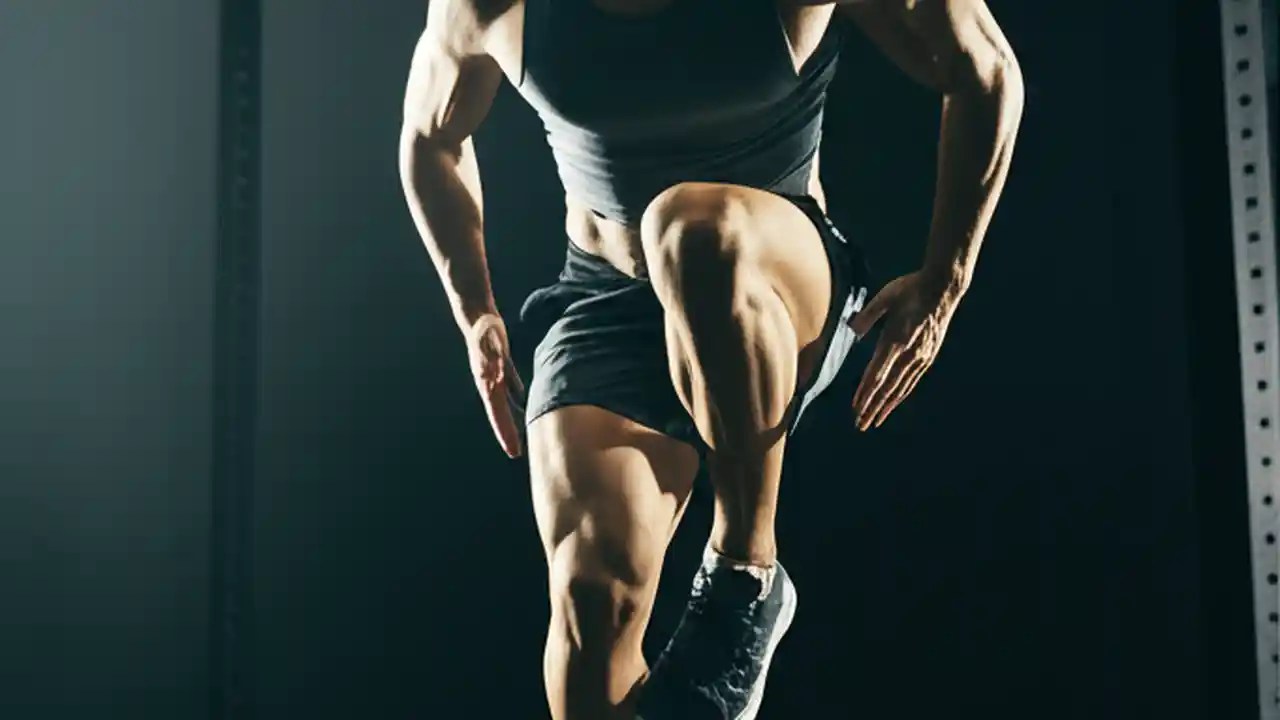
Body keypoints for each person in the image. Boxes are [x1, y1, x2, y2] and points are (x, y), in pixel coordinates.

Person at [399, 0, 1022, 717]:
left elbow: (984, 68)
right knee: (591, 606)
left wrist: (945, 281)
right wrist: (475, 309)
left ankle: (745, 577)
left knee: (689, 230)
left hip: (771, 278)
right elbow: (429, 138)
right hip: (607, 297)